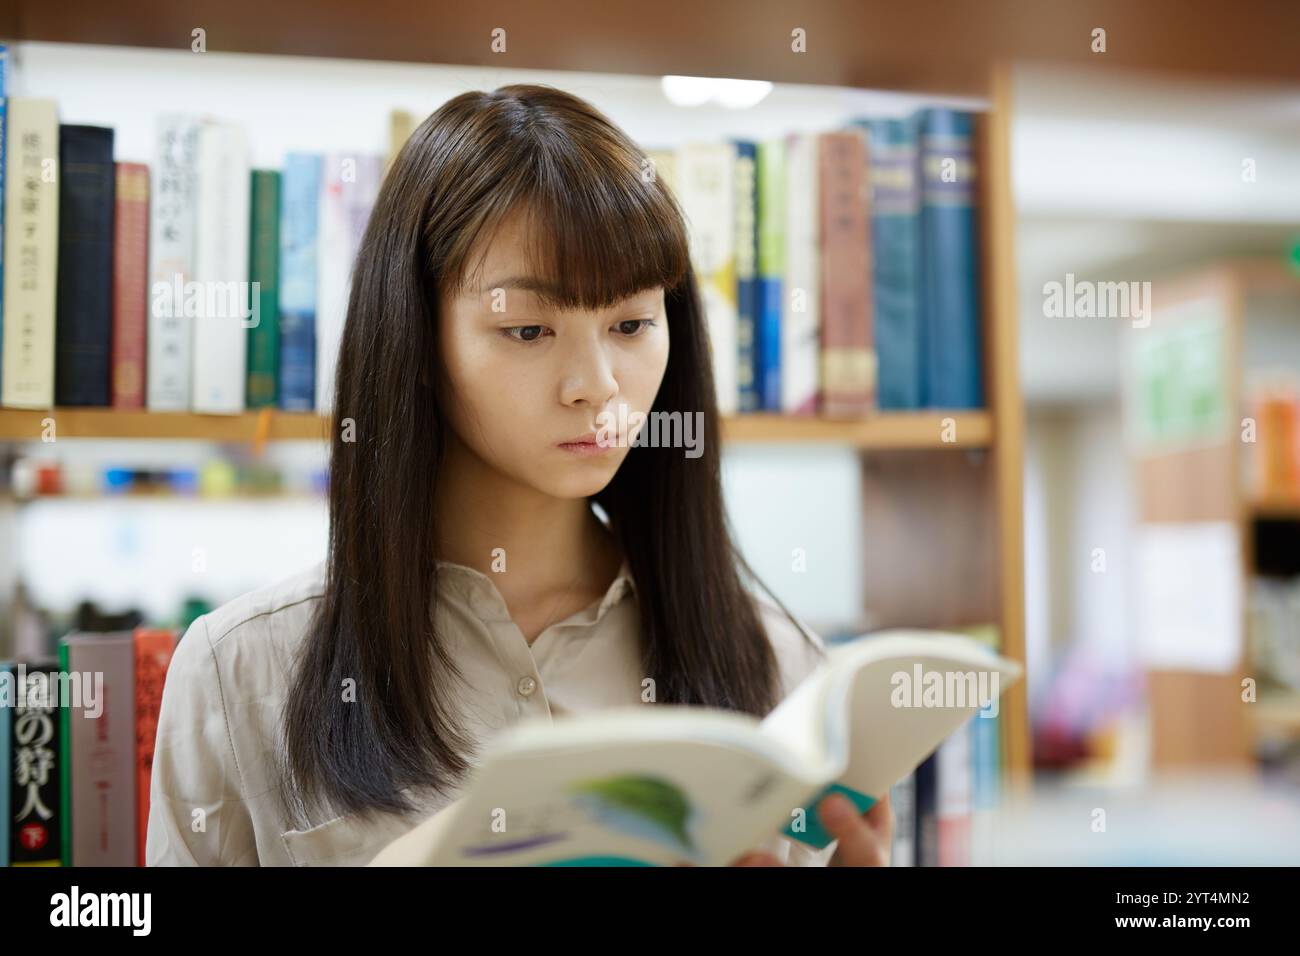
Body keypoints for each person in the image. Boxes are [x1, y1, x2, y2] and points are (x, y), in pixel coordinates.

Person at [146, 84, 892, 867]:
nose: (596, 385)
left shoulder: (787, 672)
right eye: (528, 329)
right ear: (417, 342)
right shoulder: (238, 675)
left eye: (632, 323)